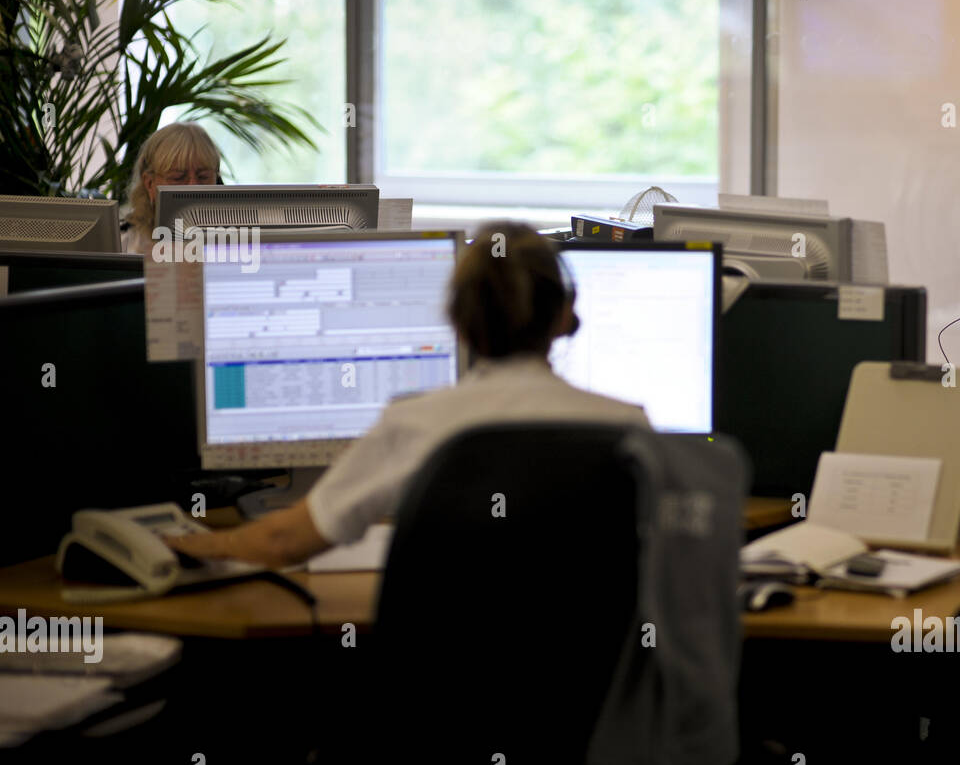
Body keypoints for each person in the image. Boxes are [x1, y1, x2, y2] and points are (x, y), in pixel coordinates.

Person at [168, 222, 650, 567]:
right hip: (589, 701)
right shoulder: (631, 428)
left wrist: (188, 545)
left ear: (458, 322)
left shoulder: (417, 423)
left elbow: (283, 542)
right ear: (565, 315)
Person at [120, 122, 222, 254]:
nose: (193, 187)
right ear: (150, 183)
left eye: (203, 177)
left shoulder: (237, 241)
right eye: (178, 178)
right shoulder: (123, 241)